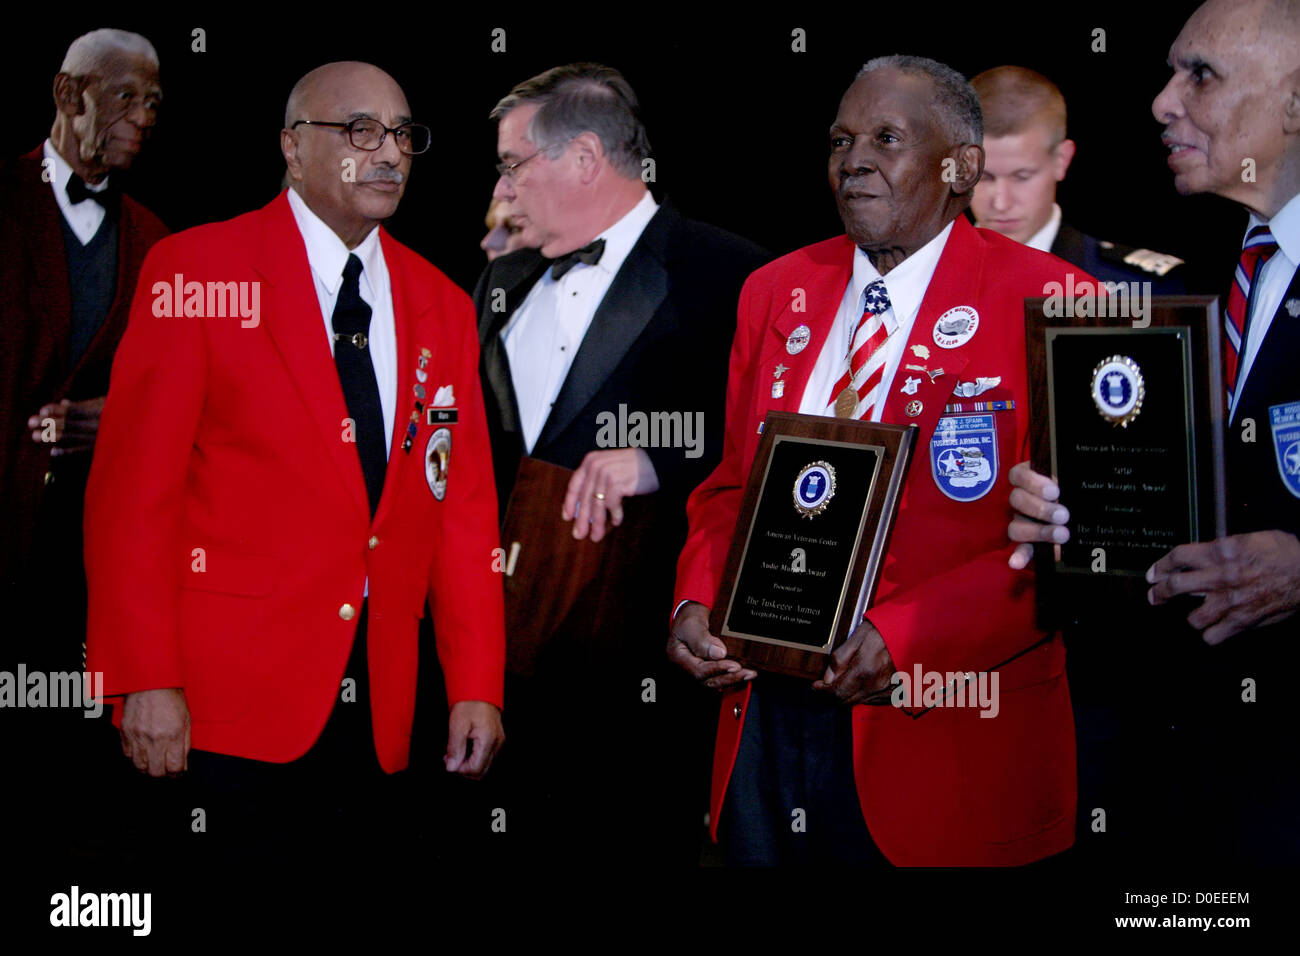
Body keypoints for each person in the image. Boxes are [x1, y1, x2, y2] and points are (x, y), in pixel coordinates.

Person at [83, 61, 506, 875]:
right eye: (359, 131)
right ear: (292, 147)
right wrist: (141, 678)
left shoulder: (443, 304)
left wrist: (476, 684)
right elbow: (132, 498)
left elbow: (461, 513)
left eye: (402, 135)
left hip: (384, 716)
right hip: (219, 707)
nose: (388, 152)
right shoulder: (196, 270)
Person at [668, 55, 1089, 866]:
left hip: (945, 737)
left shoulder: (1059, 301)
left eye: (885, 138)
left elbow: (1075, 548)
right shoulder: (773, 289)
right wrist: (694, 601)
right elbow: (727, 489)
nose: (852, 159)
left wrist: (905, 638)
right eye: (839, 140)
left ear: (960, 166)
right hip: (763, 729)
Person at [1008, 0, 1300, 864]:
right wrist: (1063, 505)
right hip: (1188, 770)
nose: (1162, 101)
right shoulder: (1209, 280)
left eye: (1199, 74)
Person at [473, 62, 768, 861]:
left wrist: (661, 454)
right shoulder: (503, 274)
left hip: (642, 673)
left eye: (511, 162)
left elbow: (776, 434)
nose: (501, 183)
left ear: (583, 159)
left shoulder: (731, 272)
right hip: (498, 659)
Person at [0, 27, 168, 866]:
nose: (144, 117)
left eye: (154, 102)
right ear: (70, 95)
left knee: (74, 770)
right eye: (126, 97)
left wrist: (121, 418)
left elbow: (184, 398)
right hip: (2, 534)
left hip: (95, 556)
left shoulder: (157, 239)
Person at [970, 65, 1186, 292]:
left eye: (1022, 177)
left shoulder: (1138, 289)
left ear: (1061, 160)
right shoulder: (930, 274)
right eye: (983, 178)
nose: (1002, 203)